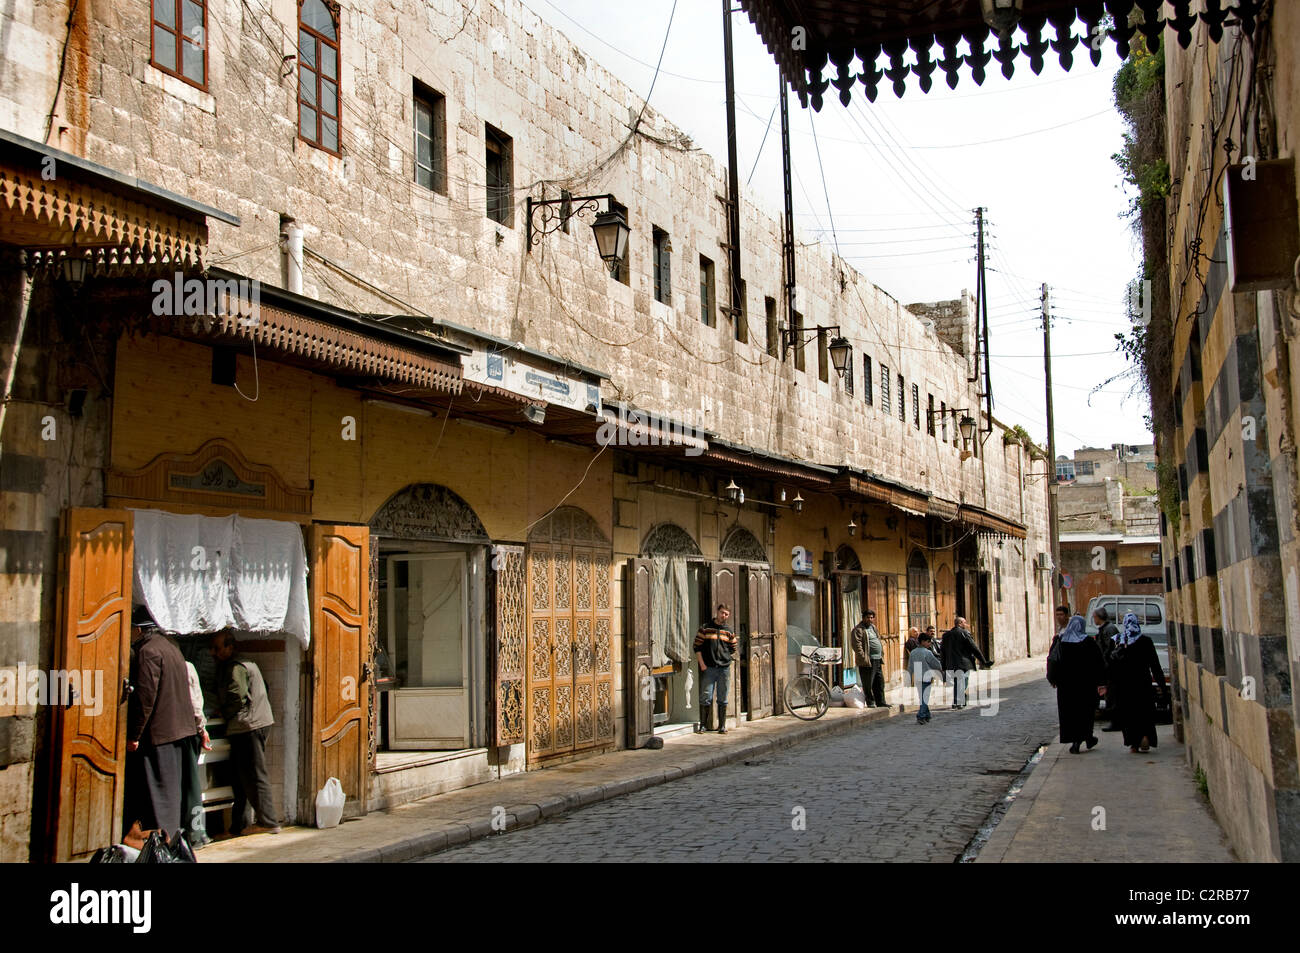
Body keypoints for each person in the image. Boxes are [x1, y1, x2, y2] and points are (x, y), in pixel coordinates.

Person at [124, 606, 194, 838]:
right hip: (178, 732)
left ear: (139, 630)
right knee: (169, 796)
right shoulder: (171, 648)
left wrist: (134, 734)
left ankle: (161, 847)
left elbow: (146, 697)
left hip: (159, 734)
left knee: (158, 798)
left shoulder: (148, 652)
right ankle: (168, 843)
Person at [210, 632, 280, 835]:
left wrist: (222, 712)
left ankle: (268, 821)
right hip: (250, 724)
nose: (213, 653)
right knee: (241, 777)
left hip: (249, 725)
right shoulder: (241, 664)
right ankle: (237, 826)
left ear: (230, 647)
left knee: (255, 774)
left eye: (217, 648)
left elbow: (236, 697)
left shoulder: (236, 667)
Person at [1109, 611, 1168, 754]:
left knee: (1129, 715)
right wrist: (1161, 685)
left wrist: (1111, 685)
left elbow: (1113, 665)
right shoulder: (1146, 641)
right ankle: (1146, 736)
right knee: (1145, 713)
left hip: (1125, 686)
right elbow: (1155, 665)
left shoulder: (1119, 640)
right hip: (1143, 684)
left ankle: (1134, 744)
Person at [1049, 607, 1106, 754]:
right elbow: (1099, 663)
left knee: (1071, 714)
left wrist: (1053, 678)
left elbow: (1053, 661)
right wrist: (1101, 682)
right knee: (1085, 713)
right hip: (1086, 686)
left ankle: (1081, 739)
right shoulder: (1088, 643)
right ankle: (1083, 739)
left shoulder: (1062, 642)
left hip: (1066, 687)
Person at [178, 659, 213, 848]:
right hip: (188, 729)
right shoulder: (186, 666)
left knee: (189, 783)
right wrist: (202, 728)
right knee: (191, 782)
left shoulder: (184, 667)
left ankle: (196, 832)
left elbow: (195, 702)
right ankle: (196, 833)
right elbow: (195, 702)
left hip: (181, 731)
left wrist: (201, 728)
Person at [694, 604, 738, 733]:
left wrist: (725, 658)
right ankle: (703, 725)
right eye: (722, 613)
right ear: (717, 612)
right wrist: (702, 664)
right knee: (705, 696)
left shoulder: (729, 631)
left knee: (723, 697)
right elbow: (697, 647)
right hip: (709, 668)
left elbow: (733, 648)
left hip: (724, 669)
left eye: (726, 614)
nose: (723, 616)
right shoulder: (705, 628)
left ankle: (722, 726)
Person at [940, 617, 988, 709]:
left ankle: (956, 701)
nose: (966, 625)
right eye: (964, 623)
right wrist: (983, 661)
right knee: (962, 682)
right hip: (963, 663)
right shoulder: (964, 633)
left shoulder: (946, 636)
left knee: (957, 682)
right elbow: (974, 648)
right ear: (960, 623)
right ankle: (959, 702)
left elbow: (943, 652)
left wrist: (943, 665)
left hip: (951, 663)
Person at [1093, 607, 1122, 732]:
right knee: (1109, 695)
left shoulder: (1109, 629)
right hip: (1107, 667)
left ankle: (1116, 722)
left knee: (1112, 696)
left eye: (1094, 617)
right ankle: (1114, 721)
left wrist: (1105, 663)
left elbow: (1110, 649)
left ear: (1099, 617)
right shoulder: (1104, 629)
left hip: (1111, 669)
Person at [850, 609, 886, 707]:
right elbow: (857, 646)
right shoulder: (858, 630)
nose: (870, 619)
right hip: (868, 660)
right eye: (868, 617)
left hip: (877, 659)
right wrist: (864, 658)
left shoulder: (873, 627)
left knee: (879, 682)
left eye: (871, 617)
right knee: (868, 683)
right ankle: (870, 702)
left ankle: (881, 702)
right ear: (863, 618)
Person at [908, 631, 944, 724]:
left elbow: (910, 666)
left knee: (922, 697)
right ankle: (921, 716)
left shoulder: (913, 652)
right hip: (926, 677)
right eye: (928, 642)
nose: (929, 644)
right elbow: (935, 663)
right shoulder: (927, 652)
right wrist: (941, 669)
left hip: (917, 677)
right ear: (923, 641)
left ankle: (927, 715)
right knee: (925, 698)